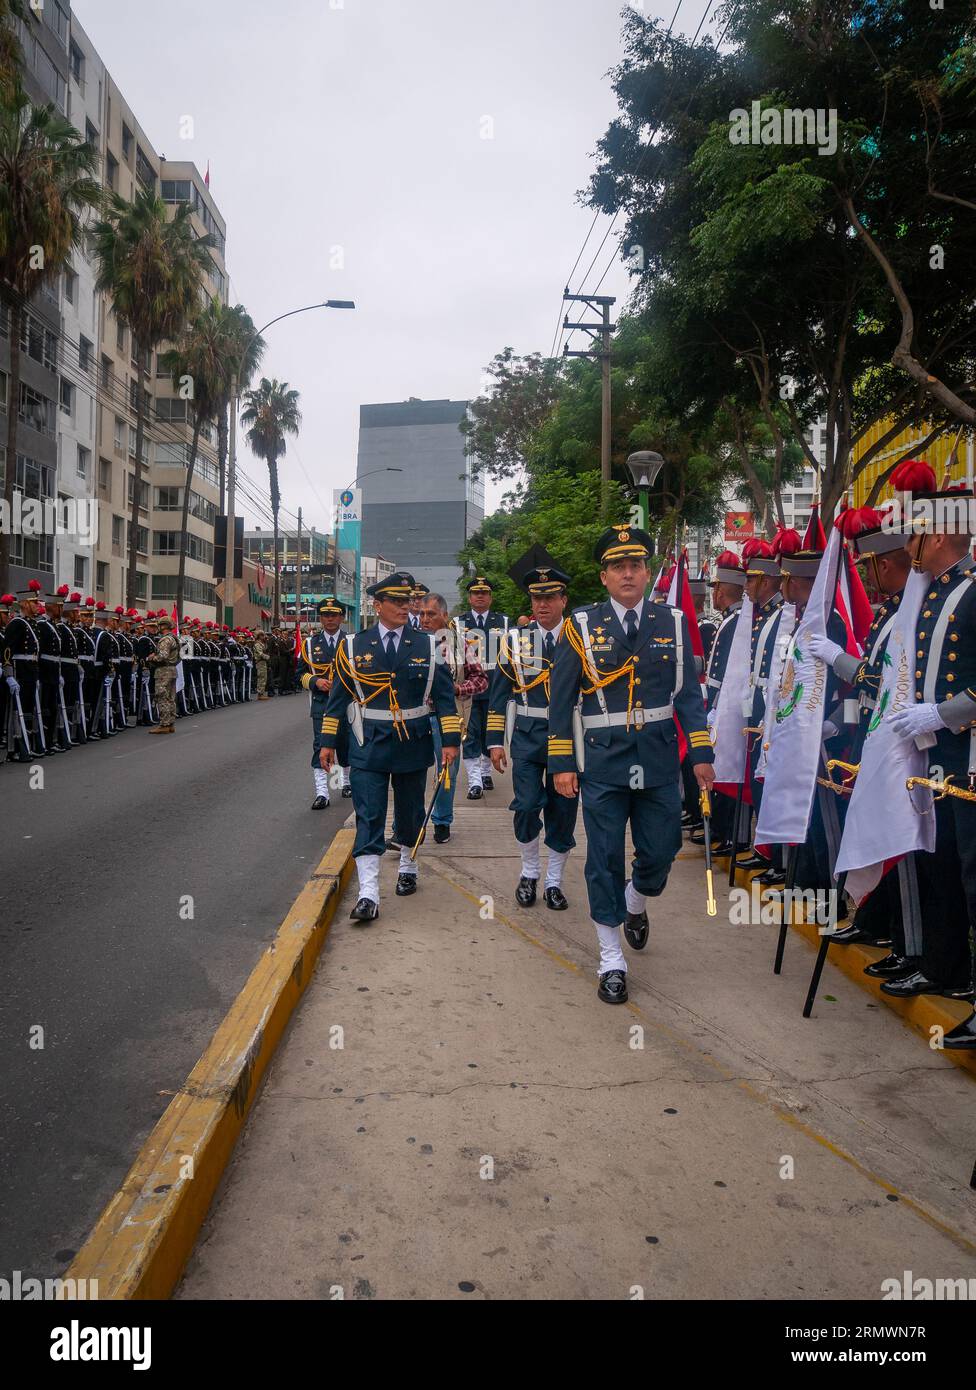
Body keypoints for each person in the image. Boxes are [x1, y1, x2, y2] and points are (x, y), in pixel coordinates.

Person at [548, 524, 715, 1004]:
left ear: (646, 573)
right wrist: (562, 761)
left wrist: (701, 753)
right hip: (602, 761)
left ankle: (636, 900)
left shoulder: (676, 622)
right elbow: (561, 702)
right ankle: (610, 959)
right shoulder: (581, 625)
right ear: (603, 576)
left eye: (635, 565)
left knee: (660, 853)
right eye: (618, 566)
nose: (628, 573)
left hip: (659, 759)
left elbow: (688, 696)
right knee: (602, 858)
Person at [878, 472, 976, 1024]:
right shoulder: (933, 595)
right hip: (935, 754)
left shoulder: (973, 590)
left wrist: (943, 712)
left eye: (914, 533)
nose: (906, 544)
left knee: (972, 873)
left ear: (937, 536)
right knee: (940, 866)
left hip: (967, 754)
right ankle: (946, 970)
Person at [319, 571, 460, 922]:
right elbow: (339, 698)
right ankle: (368, 893)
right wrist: (327, 742)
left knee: (411, 811)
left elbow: (444, 698)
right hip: (369, 742)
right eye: (396, 601)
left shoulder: (429, 644)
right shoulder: (353, 645)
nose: (405, 606)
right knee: (369, 814)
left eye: (407, 600)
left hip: (413, 741)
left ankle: (408, 866)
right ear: (377, 605)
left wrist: (451, 742)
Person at [487, 564, 579, 909]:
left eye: (550, 597)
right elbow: (499, 693)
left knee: (563, 810)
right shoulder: (515, 640)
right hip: (527, 734)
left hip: (568, 737)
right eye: (537, 597)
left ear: (563, 601)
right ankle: (529, 871)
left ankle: (554, 881)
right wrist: (496, 740)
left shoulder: (578, 639)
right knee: (526, 806)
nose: (543, 604)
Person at [420, 591, 487, 843]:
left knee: (446, 772)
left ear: (445, 615)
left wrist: (459, 689)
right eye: (421, 614)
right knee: (409, 773)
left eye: (431, 614)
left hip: (447, 718)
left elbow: (480, 680)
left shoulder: (461, 644)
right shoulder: (411, 643)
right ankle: (405, 825)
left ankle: (442, 821)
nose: (425, 620)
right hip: (414, 719)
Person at [454, 577, 509, 799]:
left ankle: (486, 772)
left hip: (496, 688)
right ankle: (474, 781)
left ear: (490, 597)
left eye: (484, 592)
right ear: (469, 597)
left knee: (491, 732)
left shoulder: (503, 622)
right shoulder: (458, 623)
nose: (480, 596)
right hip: (469, 690)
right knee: (469, 734)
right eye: (476, 593)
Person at [298, 599, 350, 809]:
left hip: (346, 703)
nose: (330, 619)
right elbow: (299, 674)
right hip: (322, 703)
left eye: (334, 615)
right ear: (320, 618)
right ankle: (322, 793)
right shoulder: (310, 644)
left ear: (341, 617)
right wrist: (315, 681)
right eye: (326, 615)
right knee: (321, 745)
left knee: (344, 744)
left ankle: (344, 783)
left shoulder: (351, 641)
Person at [147, 612, 180, 733]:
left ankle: (164, 724)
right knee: (171, 697)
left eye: (160, 625)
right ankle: (170, 723)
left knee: (162, 697)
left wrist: (152, 658)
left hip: (163, 671)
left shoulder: (165, 639)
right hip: (172, 669)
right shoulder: (174, 639)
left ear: (163, 626)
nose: (158, 627)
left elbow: (162, 656)